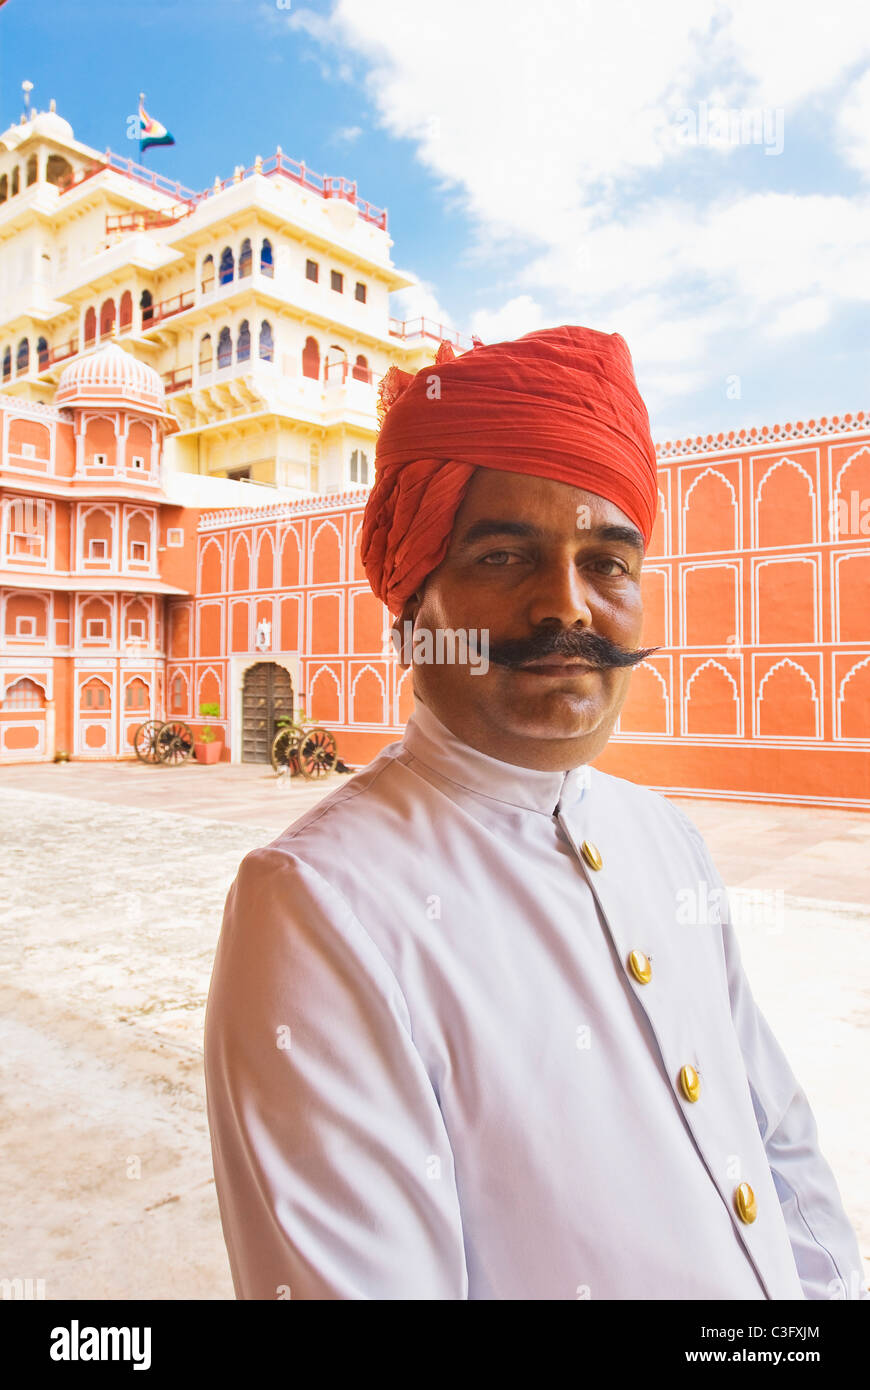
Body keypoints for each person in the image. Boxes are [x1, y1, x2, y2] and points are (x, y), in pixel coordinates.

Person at [203, 324, 867, 1300]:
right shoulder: (320, 908)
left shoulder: (663, 839)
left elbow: (778, 1148)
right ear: (412, 596)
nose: (569, 605)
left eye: (608, 561)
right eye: (506, 556)